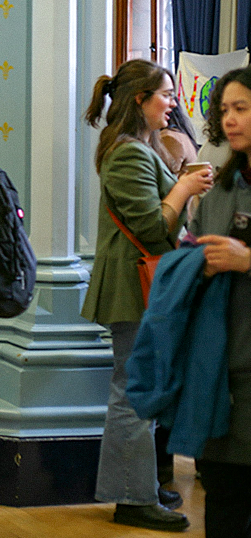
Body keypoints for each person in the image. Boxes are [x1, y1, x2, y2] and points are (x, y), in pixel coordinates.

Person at [83, 58, 212, 532]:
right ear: (140, 100)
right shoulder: (128, 153)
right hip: (134, 287)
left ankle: (136, 488)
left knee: (138, 389)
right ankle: (133, 497)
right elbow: (154, 227)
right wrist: (183, 187)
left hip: (138, 286)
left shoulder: (134, 147)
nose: (173, 103)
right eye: (166, 94)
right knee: (133, 393)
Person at [183, 66, 251, 538]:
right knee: (223, 505)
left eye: (241, 108)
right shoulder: (222, 187)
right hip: (222, 376)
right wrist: (195, 265)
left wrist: (248, 261)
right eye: (224, 109)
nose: (229, 119)